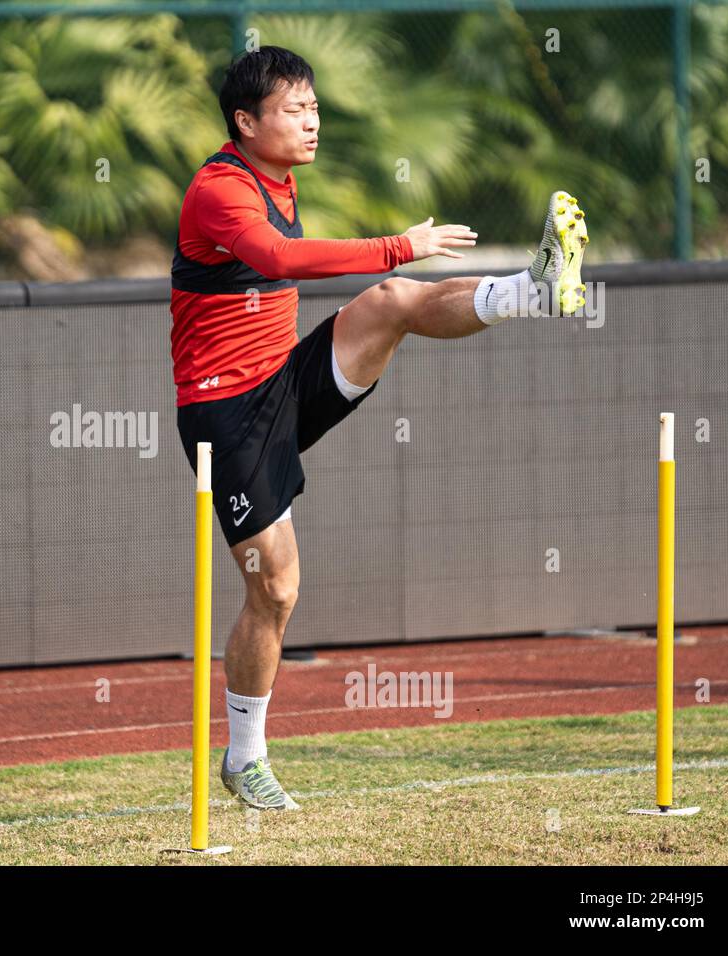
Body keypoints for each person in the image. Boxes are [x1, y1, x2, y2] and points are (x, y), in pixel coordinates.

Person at [171, 46, 588, 809]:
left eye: (315, 106)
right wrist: (402, 239)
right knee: (278, 591)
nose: (313, 121)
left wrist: (399, 259)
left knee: (393, 302)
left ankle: (532, 290)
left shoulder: (280, 178)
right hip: (224, 415)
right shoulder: (219, 190)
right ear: (245, 121)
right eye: (296, 109)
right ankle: (244, 757)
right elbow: (278, 257)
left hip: (282, 383)